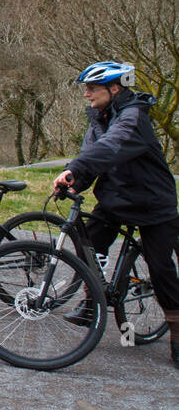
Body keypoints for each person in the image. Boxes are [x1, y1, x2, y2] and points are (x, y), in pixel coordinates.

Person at [53, 61, 179, 367]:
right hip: (114, 199)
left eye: (92, 89)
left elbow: (112, 146)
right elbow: (90, 156)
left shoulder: (133, 116)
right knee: (88, 242)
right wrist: (74, 179)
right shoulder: (99, 118)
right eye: (85, 89)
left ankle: (176, 330)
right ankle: (92, 301)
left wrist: (77, 168)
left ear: (114, 88)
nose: (86, 94)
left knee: (161, 267)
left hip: (152, 202)